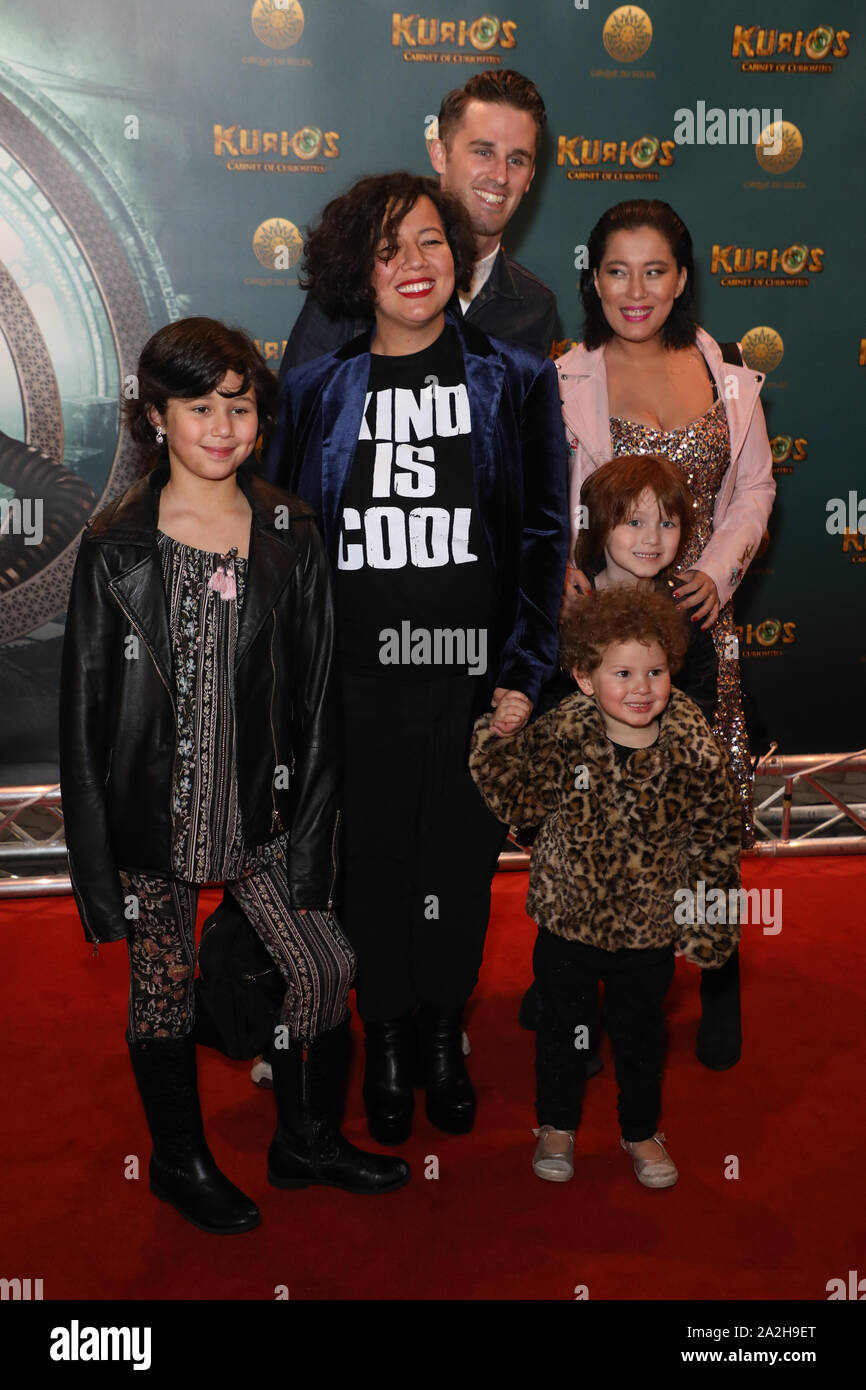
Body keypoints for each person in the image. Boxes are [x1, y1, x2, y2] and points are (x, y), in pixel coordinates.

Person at [59, 318, 409, 1236]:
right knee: (164, 990)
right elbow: (86, 719)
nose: (222, 426)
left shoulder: (292, 529)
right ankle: (180, 1162)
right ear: (156, 416)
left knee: (324, 966)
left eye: (241, 406)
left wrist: (315, 841)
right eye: (199, 406)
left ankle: (305, 1140)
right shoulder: (116, 545)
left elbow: (321, 701)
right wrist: (96, 875)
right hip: (153, 826)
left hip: (265, 810)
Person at [267, 172, 568, 1145]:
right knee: (376, 865)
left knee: (460, 863)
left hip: (470, 685)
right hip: (352, 684)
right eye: (388, 247)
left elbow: (537, 538)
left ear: (461, 257)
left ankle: (443, 1036)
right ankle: (386, 1035)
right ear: (356, 267)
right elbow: (280, 543)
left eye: (430, 241)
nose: (412, 264)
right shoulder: (315, 389)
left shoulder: (513, 379)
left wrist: (523, 671)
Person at [554, 198, 776, 1069]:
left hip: (696, 633)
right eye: (616, 270)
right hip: (605, 640)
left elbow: (754, 491)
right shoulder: (568, 376)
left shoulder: (726, 376)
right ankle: (585, 972)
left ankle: (717, 974)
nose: (635, 290)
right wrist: (556, 574)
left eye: (655, 270)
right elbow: (543, 500)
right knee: (603, 814)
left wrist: (717, 574)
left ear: (682, 279)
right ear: (595, 280)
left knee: (702, 818)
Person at [469, 585, 742, 1188]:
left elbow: (715, 842)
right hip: (569, 922)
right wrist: (499, 733)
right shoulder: (565, 730)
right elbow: (518, 797)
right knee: (564, 1031)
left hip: (650, 929)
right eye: (623, 672)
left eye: (656, 670)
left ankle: (642, 1131)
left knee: (642, 1035)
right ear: (585, 678)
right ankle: (557, 1125)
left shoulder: (695, 745)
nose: (642, 686)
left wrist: (709, 928)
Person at [274, 68, 556, 376]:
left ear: (530, 177)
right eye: (483, 151)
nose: (500, 176)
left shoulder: (534, 307)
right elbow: (298, 410)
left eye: (517, 160)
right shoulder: (360, 274)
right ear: (439, 154)